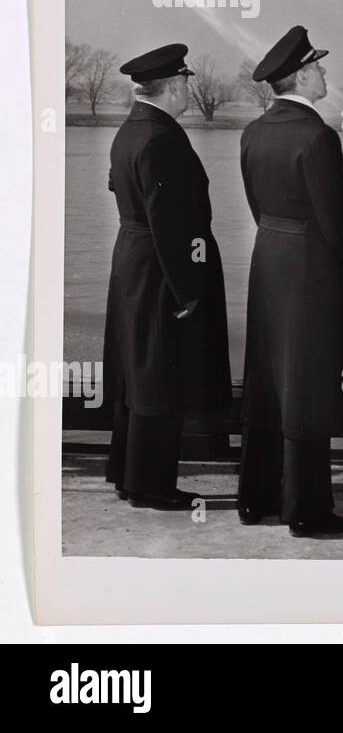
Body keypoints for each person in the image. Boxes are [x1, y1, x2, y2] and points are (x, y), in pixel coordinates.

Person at [237, 26, 343, 538]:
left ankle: (257, 497)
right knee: (308, 385)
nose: (326, 74)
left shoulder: (253, 132)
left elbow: (256, 204)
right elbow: (336, 218)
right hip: (310, 270)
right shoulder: (317, 136)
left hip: (267, 262)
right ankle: (307, 510)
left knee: (267, 383)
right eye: (320, 68)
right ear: (304, 75)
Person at [102, 44, 231, 509]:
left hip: (132, 263)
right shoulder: (160, 137)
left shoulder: (129, 130)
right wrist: (188, 290)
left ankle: (126, 474)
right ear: (173, 86)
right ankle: (150, 486)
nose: (187, 93)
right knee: (159, 374)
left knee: (135, 373)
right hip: (159, 269)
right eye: (185, 85)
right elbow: (170, 223)